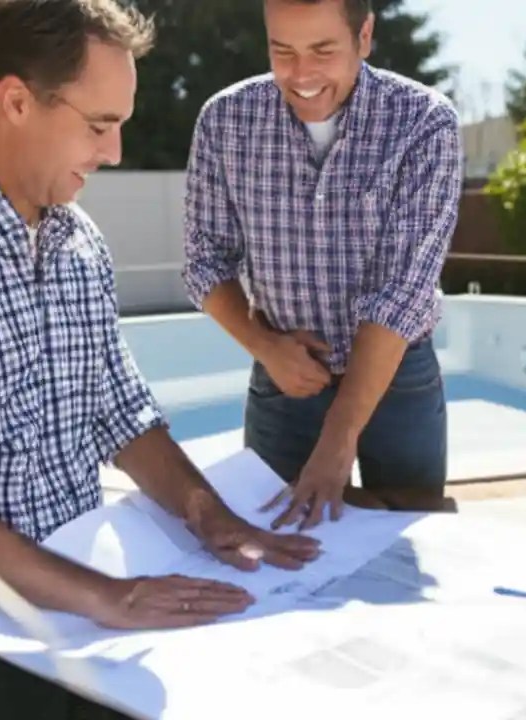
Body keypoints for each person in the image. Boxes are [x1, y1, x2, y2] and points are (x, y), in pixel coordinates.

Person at [0, 2, 319, 719]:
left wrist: (209, 515)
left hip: (89, 610)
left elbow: (118, 411)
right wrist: (108, 598)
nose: (113, 153)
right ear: (16, 100)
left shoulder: (79, 243)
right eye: (98, 125)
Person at [182, 0, 463, 530]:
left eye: (322, 51)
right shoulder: (224, 120)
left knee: (401, 543)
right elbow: (204, 260)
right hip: (281, 379)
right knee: (273, 541)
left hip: (397, 378)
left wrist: (339, 436)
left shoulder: (425, 123)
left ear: (364, 36)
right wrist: (266, 348)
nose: (301, 75)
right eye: (281, 51)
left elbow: (402, 293)